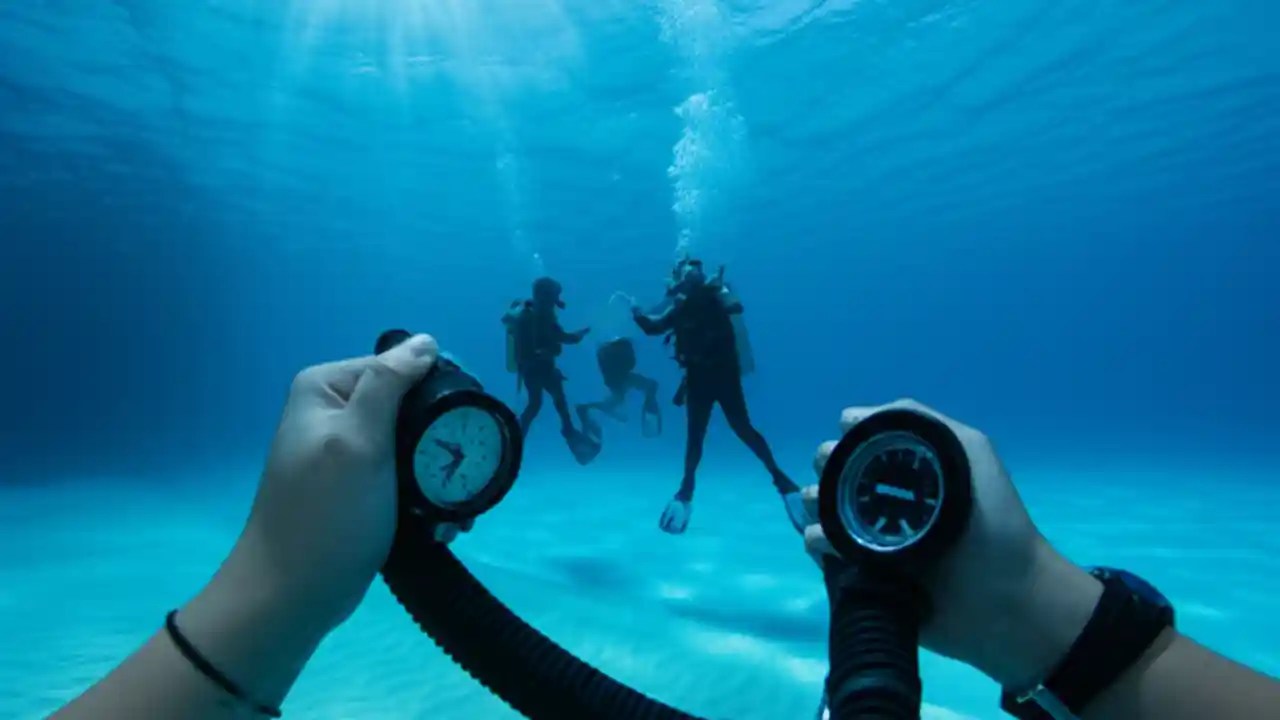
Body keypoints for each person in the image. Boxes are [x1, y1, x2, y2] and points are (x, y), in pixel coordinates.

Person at [46, 342, 1279, 719]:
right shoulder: (649, 313)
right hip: (1019, 629)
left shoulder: (701, 311)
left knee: (710, 429)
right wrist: (1062, 630)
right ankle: (659, 461)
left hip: (670, 395)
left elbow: (665, 335)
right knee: (688, 427)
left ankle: (674, 464)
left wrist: (263, 597)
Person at [632, 257, 807, 535]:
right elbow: (652, 327)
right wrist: (639, 312)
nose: (689, 278)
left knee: (712, 436)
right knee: (733, 431)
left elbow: (654, 326)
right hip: (715, 379)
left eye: (691, 273)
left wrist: (638, 310)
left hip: (711, 379)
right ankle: (781, 484)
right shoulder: (695, 303)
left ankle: (689, 493)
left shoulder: (708, 298)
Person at [502, 276, 600, 464]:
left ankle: (516, 441)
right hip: (541, 367)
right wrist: (579, 335)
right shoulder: (543, 314)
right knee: (555, 402)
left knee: (537, 404)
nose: (556, 299)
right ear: (547, 295)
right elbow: (561, 337)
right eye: (555, 295)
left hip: (530, 368)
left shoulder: (526, 312)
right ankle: (567, 432)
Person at [575, 336, 662, 443]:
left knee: (619, 399)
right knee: (646, 388)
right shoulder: (618, 350)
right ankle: (586, 408)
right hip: (620, 378)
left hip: (618, 378)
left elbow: (628, 364)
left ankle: (589, 408)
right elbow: (630, 363)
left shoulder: (611, 351)